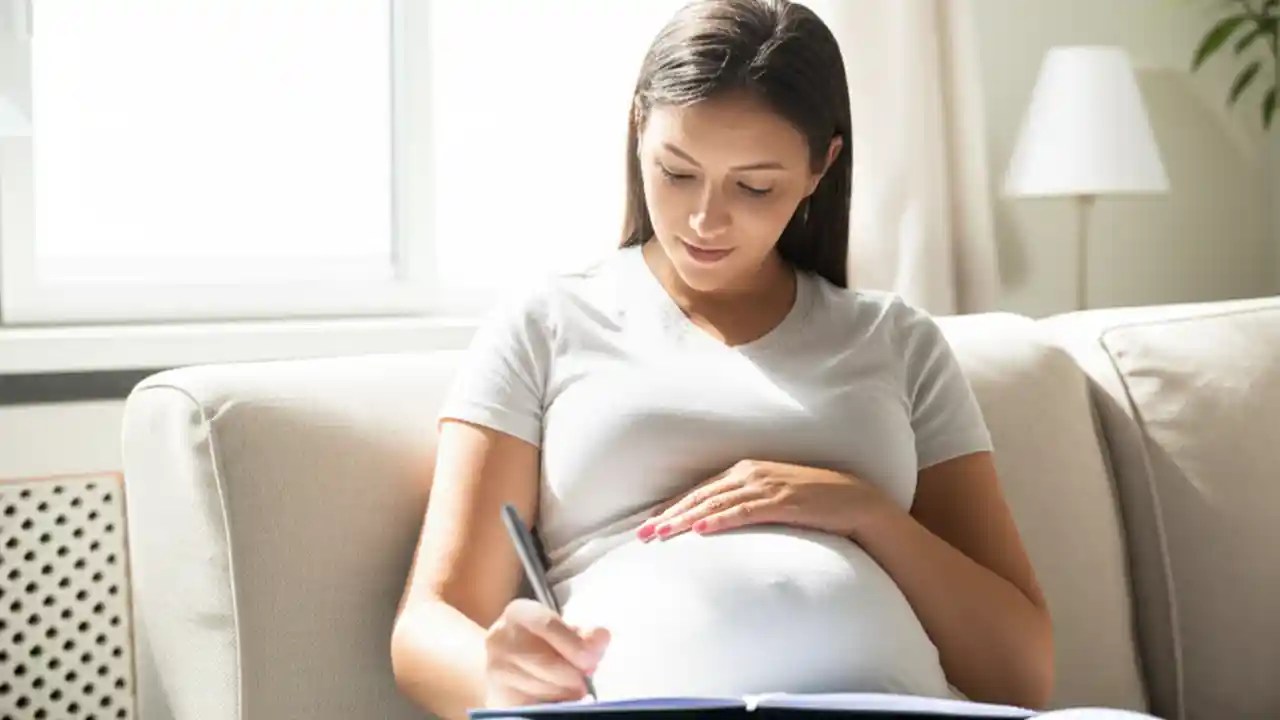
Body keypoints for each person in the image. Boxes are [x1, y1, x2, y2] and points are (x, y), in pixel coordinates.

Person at [390, 1, 1053, 718]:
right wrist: (495, 675)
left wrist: (864, 511)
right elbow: (427, 629)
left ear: (821, 166)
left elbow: (1021, 674)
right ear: (639, 130)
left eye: (754, 186)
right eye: (677, 173)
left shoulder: (896, 341)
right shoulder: (548, 322)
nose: (705, 220)